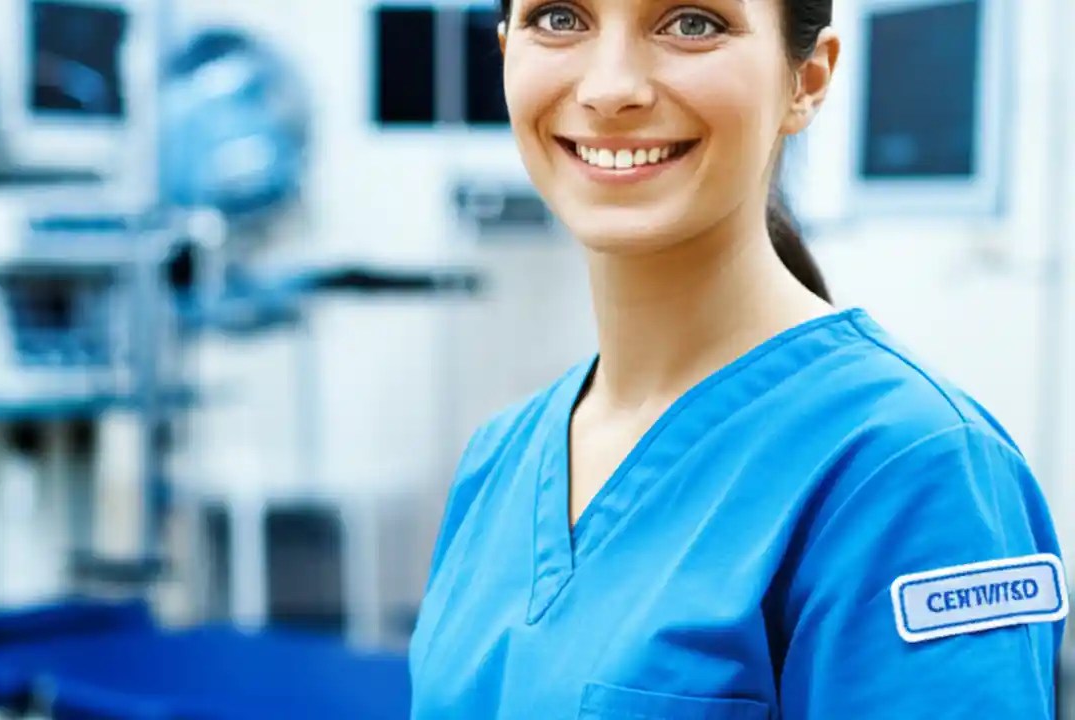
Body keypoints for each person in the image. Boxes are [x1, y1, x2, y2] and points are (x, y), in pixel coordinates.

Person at [407, 0, 1067, 718]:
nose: (610, 87)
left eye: (692, 23)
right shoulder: (496, 460)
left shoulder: (911, 471)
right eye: (560, 19)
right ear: (506, 54)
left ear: (807, 80)